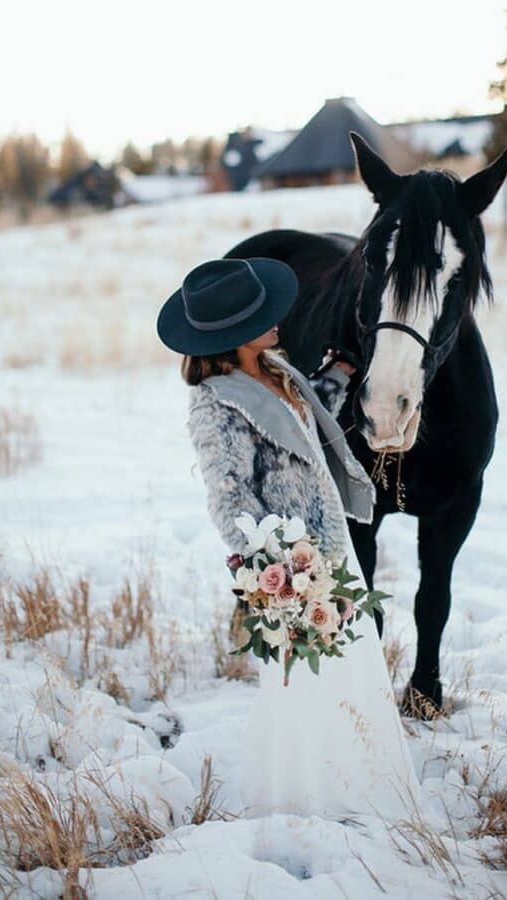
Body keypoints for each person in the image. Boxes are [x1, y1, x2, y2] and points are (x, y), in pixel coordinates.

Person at [156, 257, 421, 821]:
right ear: (233, 332)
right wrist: (280, 572)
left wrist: (337, 378)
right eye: (263, 315)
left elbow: (301, 427)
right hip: (293, 568)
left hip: (331, 546)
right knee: (306, 679)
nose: (279, 318)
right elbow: (229, 498)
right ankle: (309, 794)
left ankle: (363, 777)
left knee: (355, 665)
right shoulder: (215, 403)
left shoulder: (275, 368)